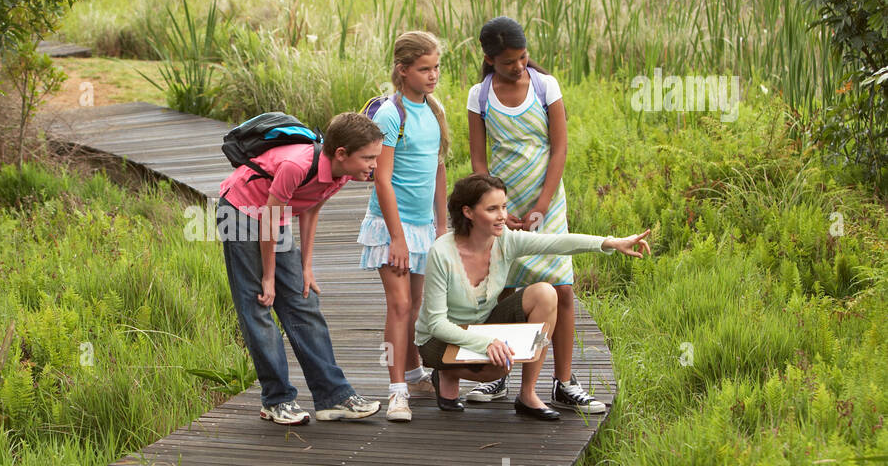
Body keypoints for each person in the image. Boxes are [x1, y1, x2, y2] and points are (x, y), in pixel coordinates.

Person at [415, 173, 650, 420]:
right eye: (492, 209)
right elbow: (436, 324)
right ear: (468, 212)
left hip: (481, 327)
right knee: (497, 366)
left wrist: (610, 243)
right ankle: (447, 373)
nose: (502, 216)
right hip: (437, 341)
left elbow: (557, 243)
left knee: (545, 293)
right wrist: (486, 343)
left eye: (504, 207)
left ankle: (527, 394)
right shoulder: (442, 252)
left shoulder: (505, 240)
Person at [465, 16, 602, 414]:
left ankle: (563, 381)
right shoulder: (480, 95)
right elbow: (479, 159)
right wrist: (494, 211)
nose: (519, 66)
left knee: (559, 288)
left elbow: (558, 150)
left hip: (547, 201)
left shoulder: (545, 86)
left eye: (523, 58)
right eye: (509, 62)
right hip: (501, 207)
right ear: (489, 59)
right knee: (505, 289)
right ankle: (501, 376)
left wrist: (542, 206)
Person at [217, 111, 384, 426]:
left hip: (271, 215)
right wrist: (269, 277)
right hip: (240, 211)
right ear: (341, 154)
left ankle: (333, 397)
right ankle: (276, 400)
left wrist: (306, 267)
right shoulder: (296, 165)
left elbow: (310, 208)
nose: (374, 165)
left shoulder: (344, 173)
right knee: (259, 305)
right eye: (368, 157)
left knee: (304, 301)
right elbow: (268, 220)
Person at [356, 31, 451, 423]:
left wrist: (442, 227)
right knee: (398, 307)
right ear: (403, 70)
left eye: (436, 68)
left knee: (414, 309)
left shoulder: (434, 110)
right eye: (424, 69)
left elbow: (439, 168)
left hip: (423, 227)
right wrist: (396, 236)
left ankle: (414, 375)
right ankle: (397, 392)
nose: (432, 76)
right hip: (390, 226)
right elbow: (382, 177)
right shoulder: (391, 114)